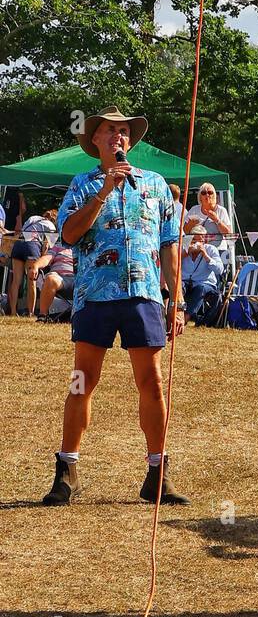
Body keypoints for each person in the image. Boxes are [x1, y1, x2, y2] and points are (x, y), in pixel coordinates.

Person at [41, 105, 188, 507]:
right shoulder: (82, 184)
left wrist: (177, 299)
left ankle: (158, 473)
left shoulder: (156, 185)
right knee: (81, 381)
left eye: (123, 132)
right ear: (96, 140)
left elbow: (169, 246)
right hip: (95, 295)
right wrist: (105, 190)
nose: (118, 138)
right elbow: (69, 234)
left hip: (143, 294)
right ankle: (67, 470)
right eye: (109, 131)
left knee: (152, 382)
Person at [7, 208, 58, 317]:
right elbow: (49, 247)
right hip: (32, 246)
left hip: (19, 244)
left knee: (16, 281)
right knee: (32, 281)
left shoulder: (33, 217)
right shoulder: (51, 226)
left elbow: (23, 230)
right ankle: (31, 313)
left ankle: (12, 312)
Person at [181, 221, 224, 325]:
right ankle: (175, 314)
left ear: (204, 241)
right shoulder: (184, 247)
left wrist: (205, 255)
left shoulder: (211, 249)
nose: (195, 243)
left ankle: (186, 317)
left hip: (205, 283)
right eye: (193, 240)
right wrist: (185, 253)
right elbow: (172, 262)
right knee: (178, 286)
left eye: (199, 240)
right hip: (186, 281)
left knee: (201, 288)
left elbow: (220, 269)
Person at [184, 183, 232, 253]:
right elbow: (185, 231)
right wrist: (190, 224)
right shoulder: (194, 210)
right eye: (203, 193)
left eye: (210, 192)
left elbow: (228, 234)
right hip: (197, 251)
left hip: (218, 251)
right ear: (200, 197)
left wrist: (217, 220)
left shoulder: (221, 210)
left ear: (214, 195)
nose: (207, 195)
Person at [36, 239, 77, 321]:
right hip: (60, 279)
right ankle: (43, 316)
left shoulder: (84, 247)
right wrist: (35, 266)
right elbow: (47, 258)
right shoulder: (58, 246)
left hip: (79, 280)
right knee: (51, 279)